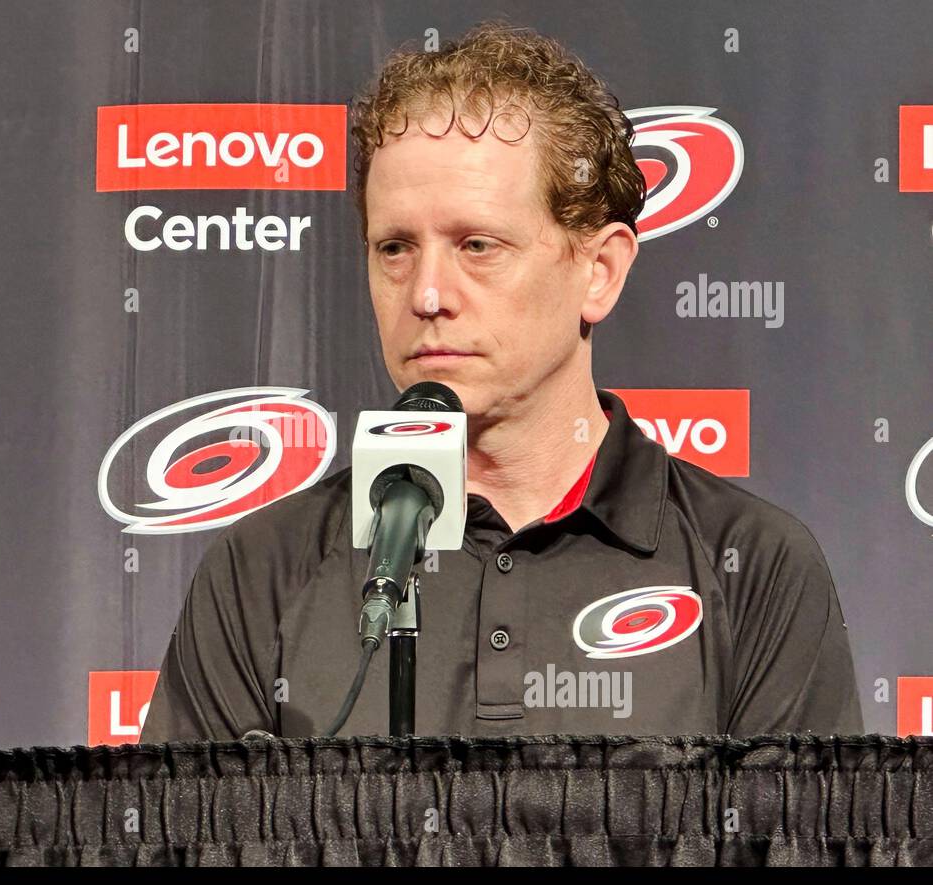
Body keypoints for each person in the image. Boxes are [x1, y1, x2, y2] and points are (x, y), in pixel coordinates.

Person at [140, 19, 863, 742]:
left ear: (600, 271)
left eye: (477, 245)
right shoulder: (261, 570)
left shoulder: (755, 569)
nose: (426, 294)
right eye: (395, 247)